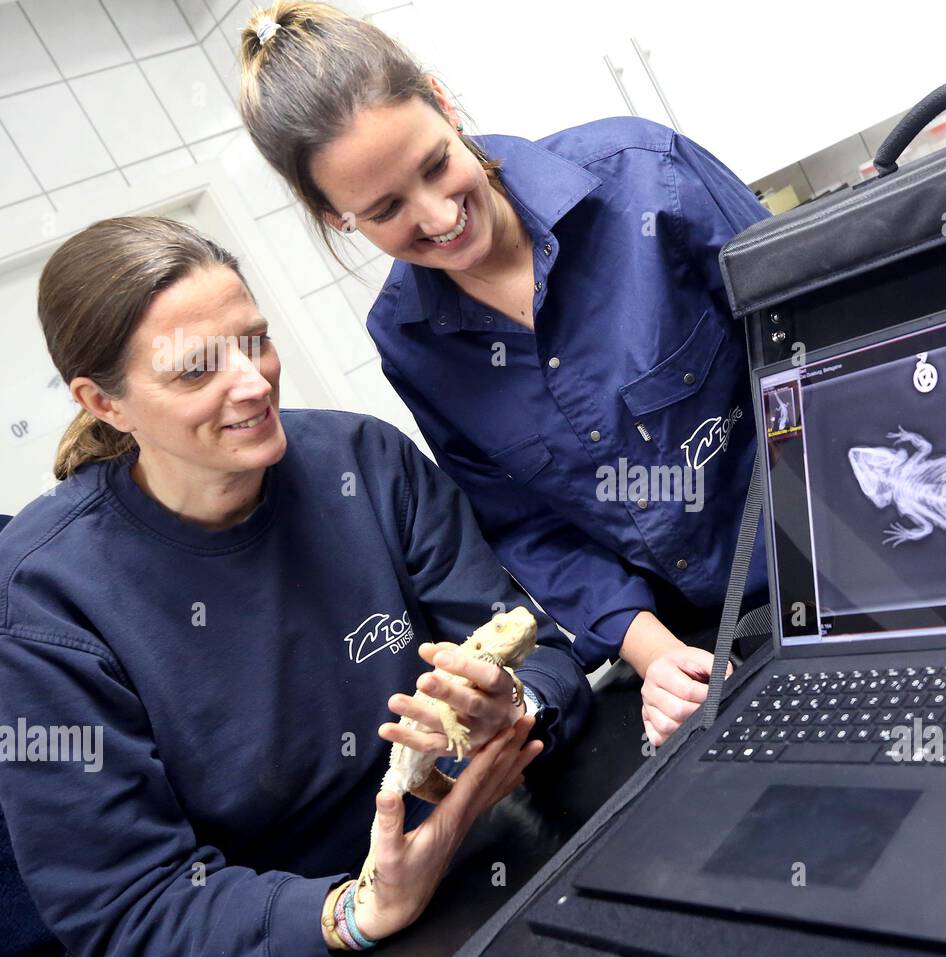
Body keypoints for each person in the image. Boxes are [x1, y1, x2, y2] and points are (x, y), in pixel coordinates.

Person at [0, 216, 589, 957]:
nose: (252, 383)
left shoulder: (365, 463)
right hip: (287, 946)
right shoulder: (43, 596)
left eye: (254, 340)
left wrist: (513, 707)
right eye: (194, 370)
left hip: (485, 863)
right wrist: (358, 909)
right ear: (105, 402)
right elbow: (127, 908)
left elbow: (541, 654)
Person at [236, 3, 771, 746]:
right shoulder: (409, 341)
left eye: (435, 165)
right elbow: (528, 529)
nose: (438, 216)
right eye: (386, 209)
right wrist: (658, 657)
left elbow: (821, 342)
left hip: (850, 545)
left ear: (442, 101)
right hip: (693, 640)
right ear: (335, 217)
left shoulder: (646, 177)